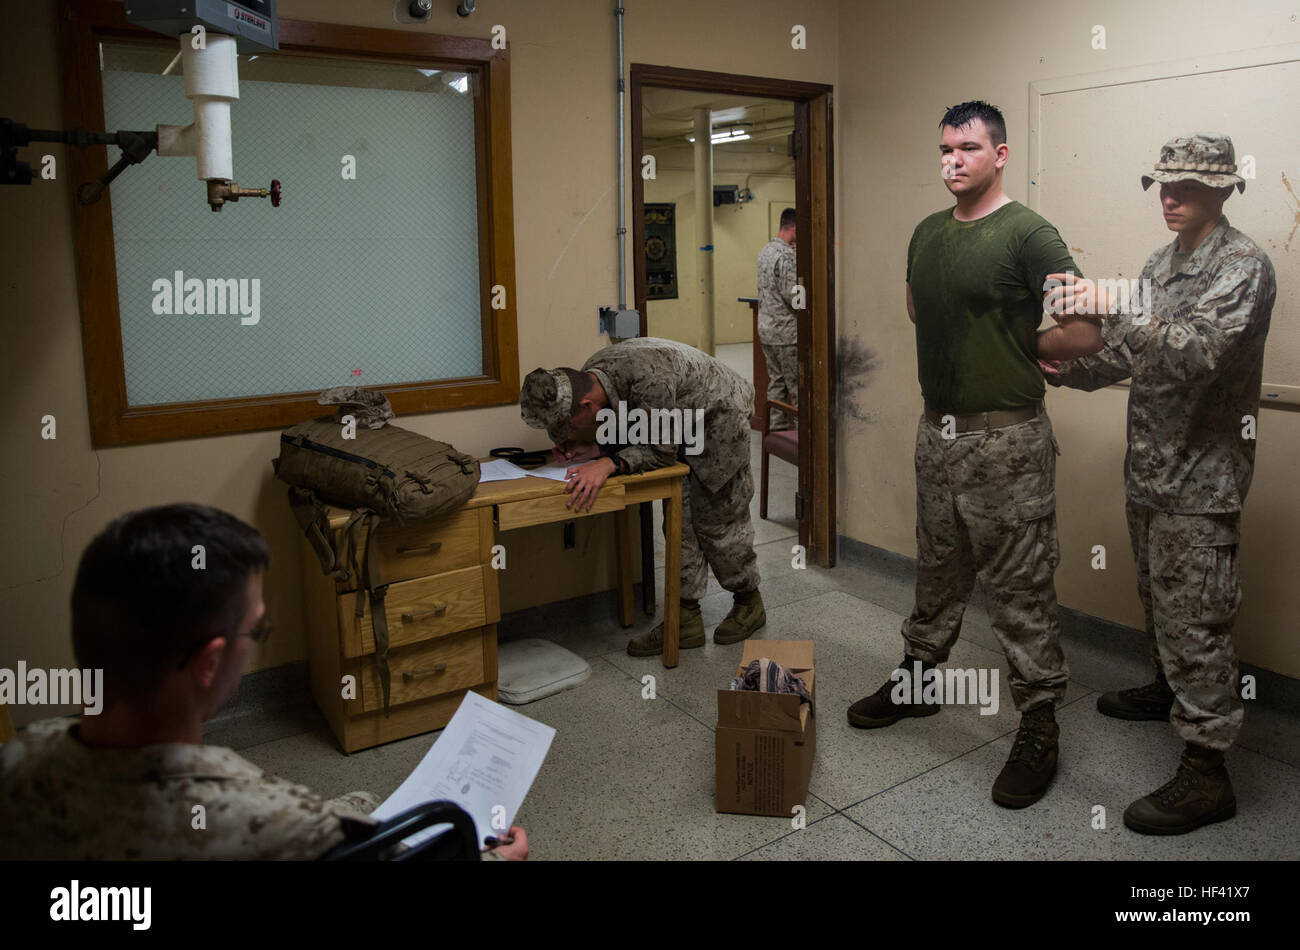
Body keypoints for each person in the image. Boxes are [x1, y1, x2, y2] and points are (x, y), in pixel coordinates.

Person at [0, 503, 528, 860]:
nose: (261, 635)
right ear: (209, 662)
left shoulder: (21, 761)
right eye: (257, 629)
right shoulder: (275, 824)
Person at [846, 100, 1104, 810]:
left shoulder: (1029, 235)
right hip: (939, 434)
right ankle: (921, 681)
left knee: (1018, 591)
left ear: (1001, 154)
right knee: (937, 568)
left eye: (966, 147)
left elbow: (1083, 332)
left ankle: (1040, 723)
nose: (951, 160)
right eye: (944, 149)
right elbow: (918, 308)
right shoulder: (927, 232)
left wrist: (1019, 346)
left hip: (1006, 442)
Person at [1042, 133, 1275, 835]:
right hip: (1150, 471)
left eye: (1187, 187)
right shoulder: (1160, 262)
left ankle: (1208, 774)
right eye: (1162, 186)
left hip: (1202, 482)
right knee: (1160, 597)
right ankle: (1167, 688)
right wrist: (1064, 366)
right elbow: (1122, 353)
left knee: (1196, 618)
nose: (1169, 199)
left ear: (1225, 189)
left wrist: (1113, 298)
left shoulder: (1244, 267)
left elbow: (1195, 353)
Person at [519, 336, 765, 656]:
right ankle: (685, 618)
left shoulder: (651, 381)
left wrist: (609, 463)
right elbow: (635, 420)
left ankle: (749, 602)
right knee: (682, 520)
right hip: (681, 422)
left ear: (585, 405)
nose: (567, 432)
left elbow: (660, 452)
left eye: (567, 425)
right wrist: (596, 447)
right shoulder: (590, 377)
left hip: (719, 419)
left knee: (719, 520)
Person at [757, 207, 800, 430]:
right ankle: (806, 435)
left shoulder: (766, 251)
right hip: (786, 333)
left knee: (776, 382)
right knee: (798, 385)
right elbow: (794, 296)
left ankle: (776, 427)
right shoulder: (786, 256)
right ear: (793, 227)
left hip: (767, 330)